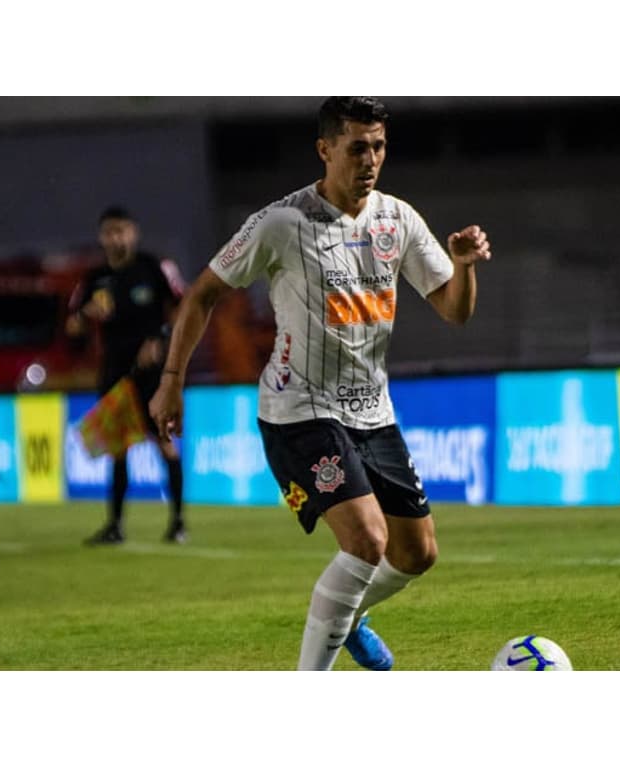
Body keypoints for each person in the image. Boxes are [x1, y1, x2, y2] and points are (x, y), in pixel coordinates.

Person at [150, 97, 492, 671]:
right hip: (298, 411)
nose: (371, 159)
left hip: (373, 413)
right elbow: (203, 291)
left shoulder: (397, 219)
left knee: (417, 552)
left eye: (379, 146)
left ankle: (348, 613)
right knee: (366, 541)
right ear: (325, 149)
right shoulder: (282, 223)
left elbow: (454, 312)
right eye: (358, 146)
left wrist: (465, 267)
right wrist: (171, 380)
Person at [67, 206, 187, 545]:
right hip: (115, 373)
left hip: (152, 374)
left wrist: (161, 338)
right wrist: (85, 317)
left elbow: (183, 307)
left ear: (133, 233)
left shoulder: (154, 267)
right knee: (117, 448)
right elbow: (72, 327)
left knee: (164, 443)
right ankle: (115, 526)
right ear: (101, 236)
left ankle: (178, 523)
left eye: (122, 230)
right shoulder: (93, 279)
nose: (116, 238)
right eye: (110, 232)